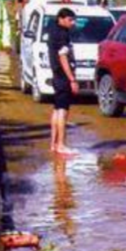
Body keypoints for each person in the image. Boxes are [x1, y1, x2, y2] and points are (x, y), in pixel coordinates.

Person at [47, 8, 79, 155]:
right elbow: (63, 57)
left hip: (56, 75)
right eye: (70, 20)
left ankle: (53, 143)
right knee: (63, 111)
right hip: (63, 76)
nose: (73, 23)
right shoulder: (62, 34)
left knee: (56, 109)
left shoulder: (53, 30)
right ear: (61, 18)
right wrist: (72, 79)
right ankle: (61, 144)